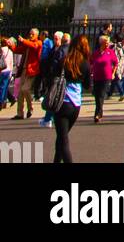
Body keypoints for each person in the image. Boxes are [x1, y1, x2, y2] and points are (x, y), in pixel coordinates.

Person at [51, 35, 89, 164]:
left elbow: (52, 76)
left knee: (63, 140)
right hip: (76, 105)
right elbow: (88, 85)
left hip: (62, 102)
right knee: (62, 137)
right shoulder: (85, 64)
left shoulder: (64, 61)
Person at [11, 28, 42, 119]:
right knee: (20, 92)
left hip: (32, 71)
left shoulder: (38, 43)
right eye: (30, 34)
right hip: (24, 70)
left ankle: (30, 108)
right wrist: (11, 46)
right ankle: (20, 113)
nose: (31, 35)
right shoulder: (28, 43)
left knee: (25, 89)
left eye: (33, 34)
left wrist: (23, 40)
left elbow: (34, 46)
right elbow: (18, 50)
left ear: (37, 35)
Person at [90, 35, 117, 123]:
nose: (107, 44)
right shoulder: (96, 53)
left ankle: (97, 114)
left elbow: (115, 63)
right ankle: (100, 112)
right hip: (96, 76)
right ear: (101, 43)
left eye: (108, 42)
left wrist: (113, 73)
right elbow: (91, 62)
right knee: (97, 95)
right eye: (106, 42)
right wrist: (91, 72)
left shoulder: (110, 52)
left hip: (106, 77)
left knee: (101, 95)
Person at [0, 36, 14, 109]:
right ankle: (4, 102)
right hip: (8, 71)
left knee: (1, 88)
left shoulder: (0, 50)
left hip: (1, 70)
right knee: (4, 87)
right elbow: (12, 63)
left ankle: (1, 102)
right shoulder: (10, 51)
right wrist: (11, 73)